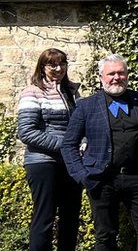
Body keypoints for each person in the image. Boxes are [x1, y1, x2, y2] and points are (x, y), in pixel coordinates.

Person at [61, 54, 138, 251]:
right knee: (105, 236)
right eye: (111, 74)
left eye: (121, 73)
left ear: (127, 75)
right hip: (101, 179)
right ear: (101, 77)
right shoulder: (86, 105)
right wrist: (83, 176)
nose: (117, 77)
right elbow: (68, 144)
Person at [16, 48, 82, 251]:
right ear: (42, 67)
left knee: (70, 218)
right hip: (43, 162)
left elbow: (83, 124)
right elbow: (26, 132)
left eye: (62, 64)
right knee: (45, 217)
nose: (58, 68)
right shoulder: (32, 92)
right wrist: (66, 146)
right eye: (52, 65)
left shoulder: (72, 92)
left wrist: (84, 142)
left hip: (71, 163)